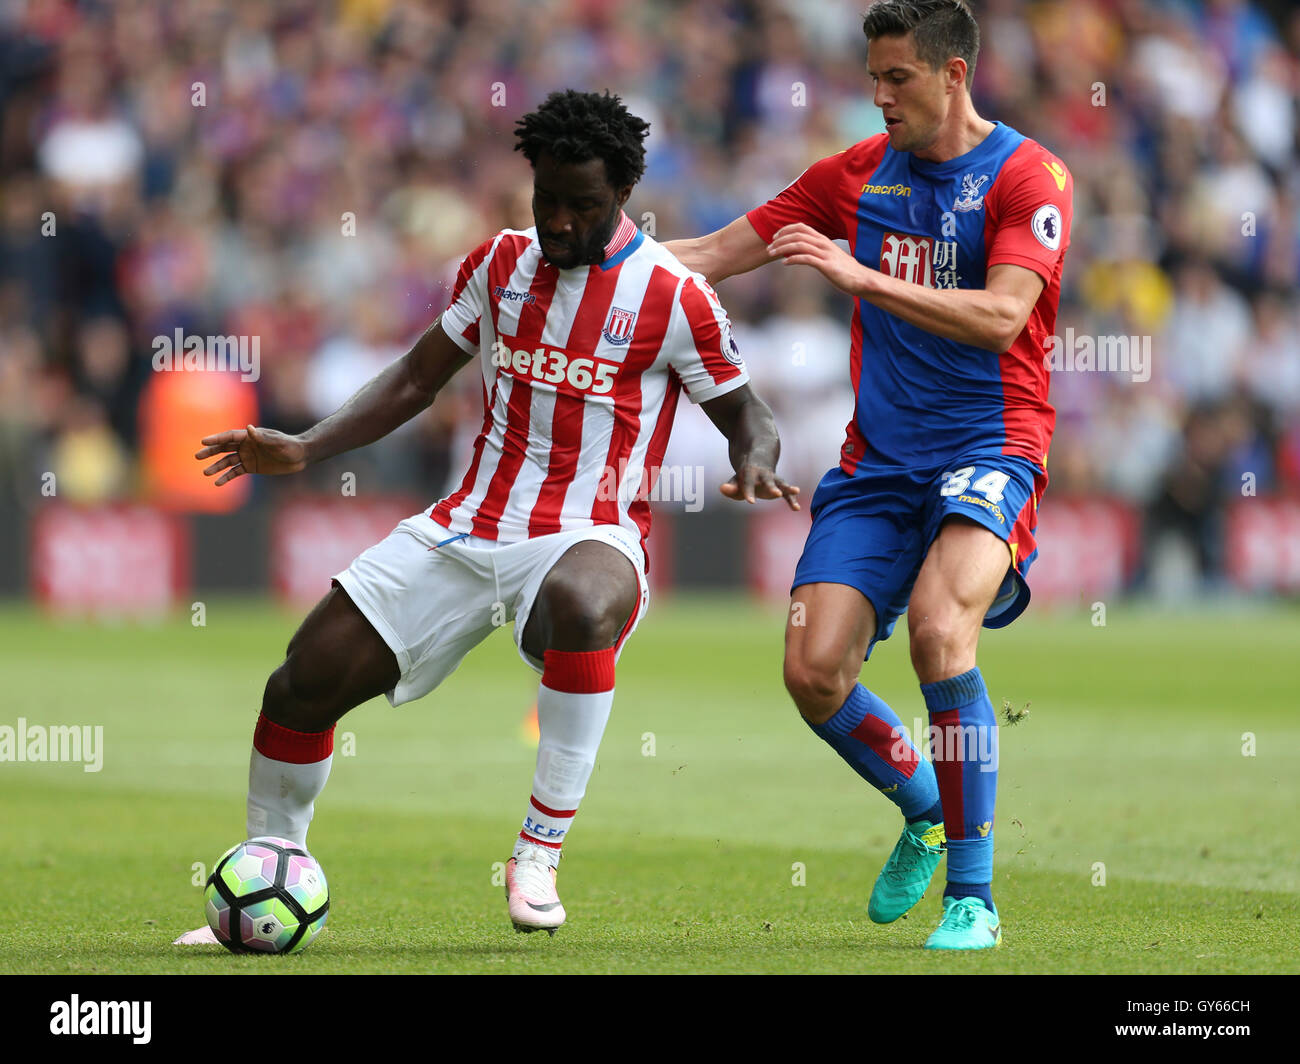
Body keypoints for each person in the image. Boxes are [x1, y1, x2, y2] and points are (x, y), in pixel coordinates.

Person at [176, 89, 798, 942]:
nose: (562, 221)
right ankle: (266, 871)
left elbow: (747, 413)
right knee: (301, 681)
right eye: (548, 199)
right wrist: (307, 448)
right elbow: (415, 378)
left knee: (581, 605)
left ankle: (537, 856)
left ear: (622, 195)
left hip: (590, 531)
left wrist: (756, 463)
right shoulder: (499, 265)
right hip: (467, 523)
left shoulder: (674, 296)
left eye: (584, 205)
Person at [666, 0, 1072, 950]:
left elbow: (1005, 317)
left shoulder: (1028, 176)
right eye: (874, 78)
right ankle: (928, 809)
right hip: (878, 465)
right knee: (812, 671)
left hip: (993, 446)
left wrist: (862, 278)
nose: (879, 97)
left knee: (940, 628)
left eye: (899, 79)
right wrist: (573, 262)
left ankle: (973, 896)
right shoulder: (849, 177)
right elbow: (707, 258)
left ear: (954, 74)